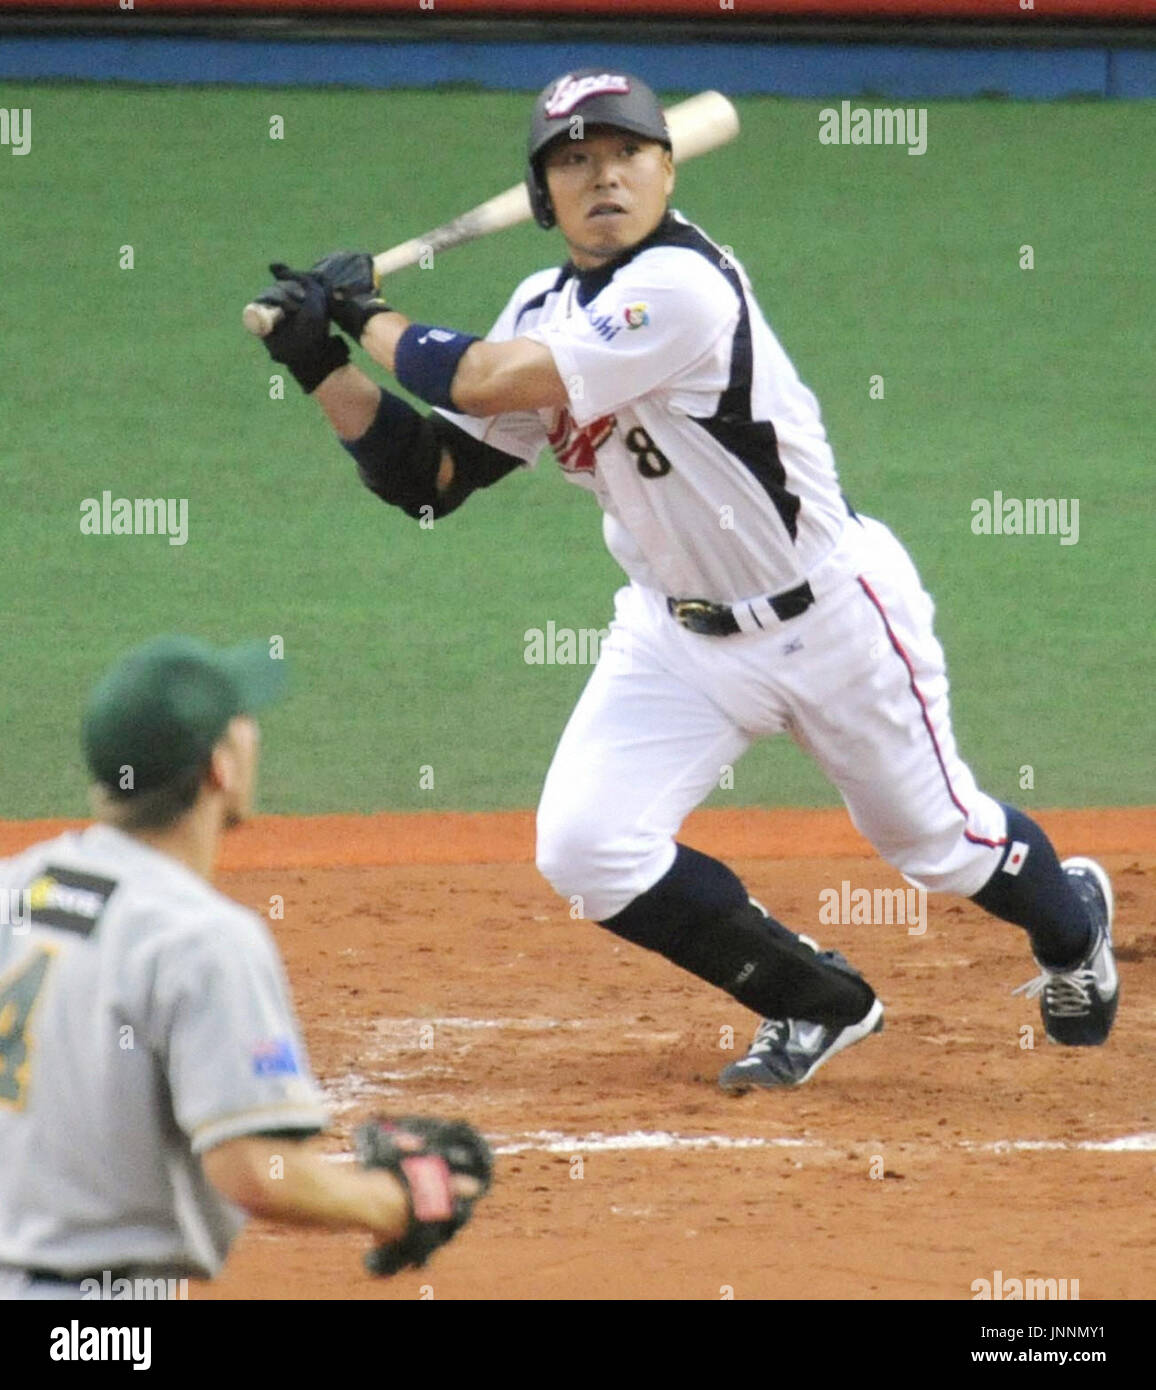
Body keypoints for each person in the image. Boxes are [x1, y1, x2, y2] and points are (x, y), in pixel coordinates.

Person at [251, 68, 1118, 1093]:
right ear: (543, 197)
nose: (603, 174)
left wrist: (364, 311)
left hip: (831, 615)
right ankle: (814, 999)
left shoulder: (684, 288)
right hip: (674, 637)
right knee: (587, 847)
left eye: (625, 152)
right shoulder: (539, 306)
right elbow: (431, 480)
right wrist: (321, 364)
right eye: (572, 160)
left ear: (666, 168)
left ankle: (1074, 925)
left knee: (938, 843)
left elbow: (483, 378)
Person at [0, 636, 485, 1300]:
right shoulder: (203, 939)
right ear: (219, 769)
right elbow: (254, 1172)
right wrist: (399, 1201)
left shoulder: (14, 887)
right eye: (242, 724)